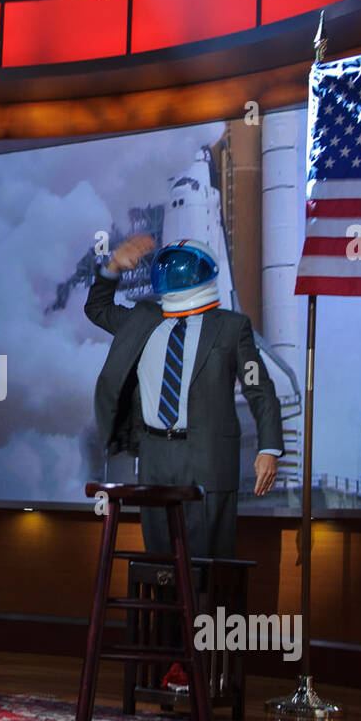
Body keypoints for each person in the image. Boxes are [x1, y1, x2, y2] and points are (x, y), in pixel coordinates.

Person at [86, 236, 283, 559]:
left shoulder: (232, 328)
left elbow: (258, 387)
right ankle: (166, 611)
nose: (174, 274)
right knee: (161, 559)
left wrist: (269, 448)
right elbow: (97, 309)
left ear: (204, 272)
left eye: (183, 268)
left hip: (208, 455)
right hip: (154, 454)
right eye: (168, 268)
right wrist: (112, 268)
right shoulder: (141, 319)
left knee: (208, 561)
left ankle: (206, 613)